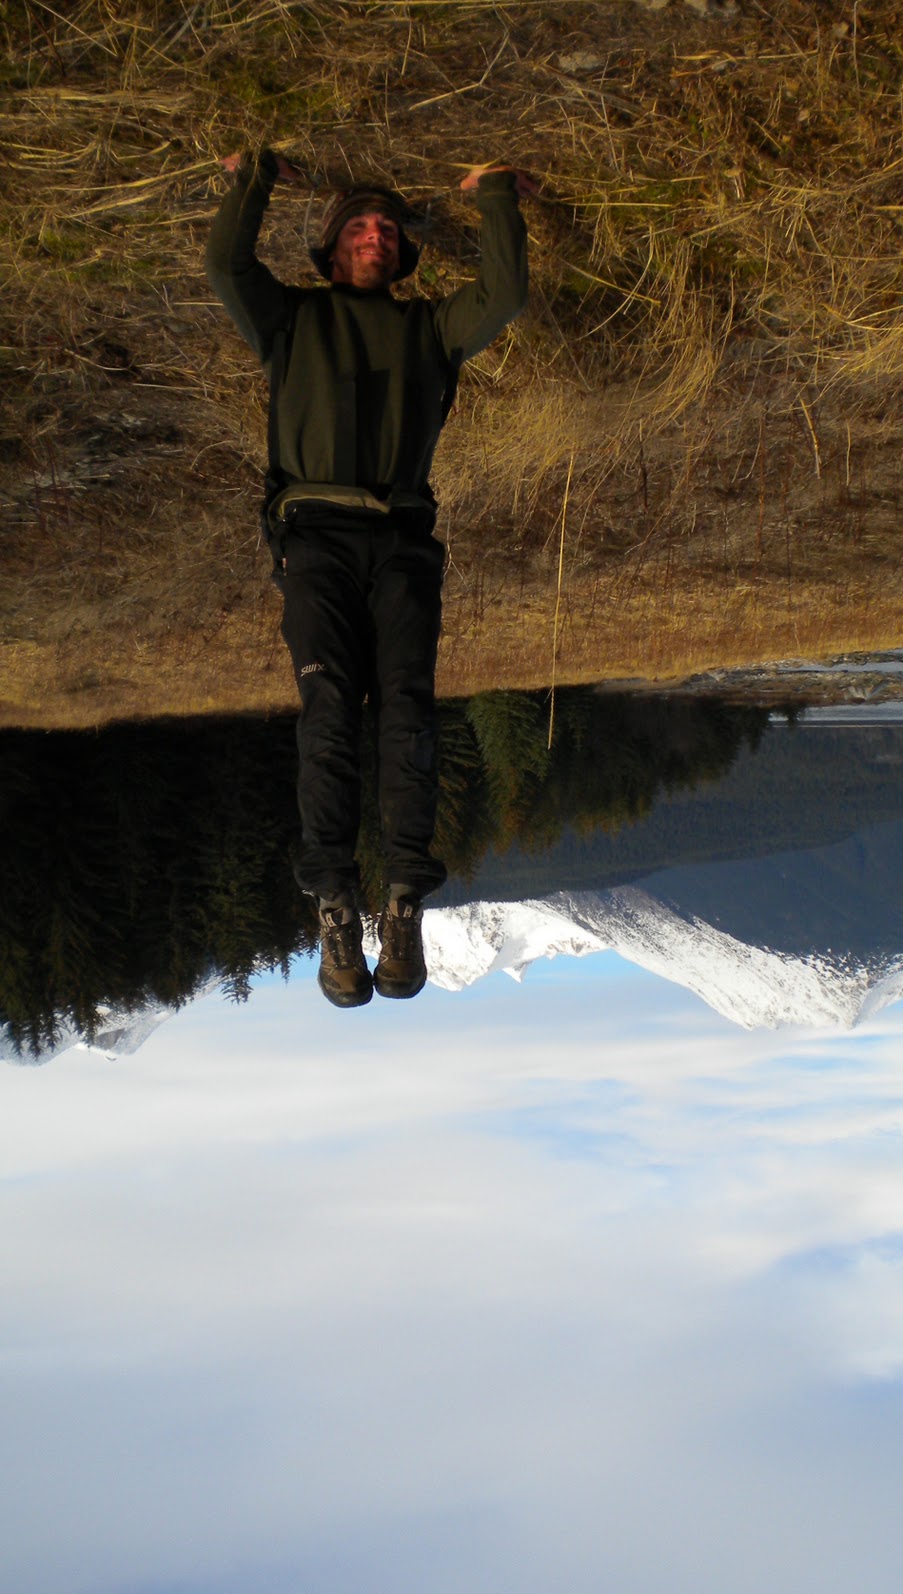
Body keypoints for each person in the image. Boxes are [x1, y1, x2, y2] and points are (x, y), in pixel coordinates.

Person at [206, 149, 532, 1007]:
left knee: (406, 714)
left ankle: (397, 904)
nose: (375, 236)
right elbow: (225, 265)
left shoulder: (430, 329)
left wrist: (493, 192)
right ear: (329, 247)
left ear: (403, 254)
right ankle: (336, 899)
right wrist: (254, 180)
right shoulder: (289, 320)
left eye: (387, 229)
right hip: (313, 536)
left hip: (400, 540)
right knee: (330, 715)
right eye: (358, 226)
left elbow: (502, 297)